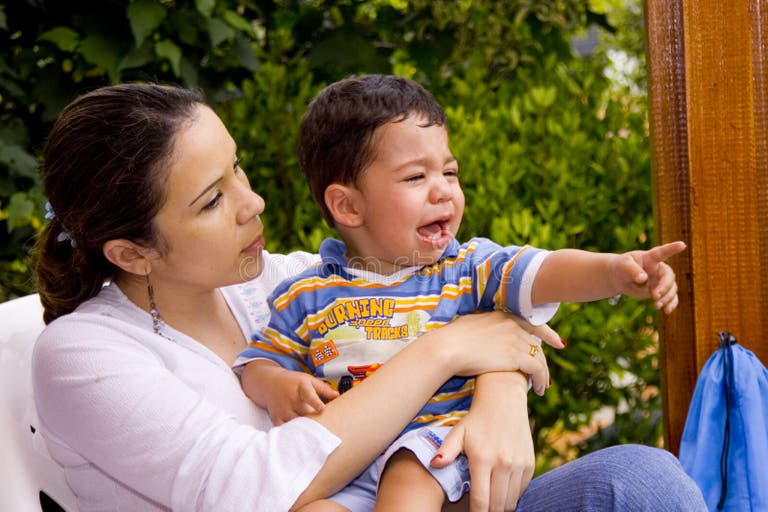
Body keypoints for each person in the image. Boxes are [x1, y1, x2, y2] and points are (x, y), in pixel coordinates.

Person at [30, 82, 705, 512]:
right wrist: (445, 351)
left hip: (437, 488)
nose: (253, 202)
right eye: (212, 199)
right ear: (132, 252)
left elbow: (463, 298)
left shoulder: (280, 281)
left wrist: (497, 389)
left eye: (236, 167)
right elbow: (251, 491)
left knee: (641, 482)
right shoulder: (81, 355)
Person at [236, 75, 695, 512]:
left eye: (450, 172)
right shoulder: (308, 293)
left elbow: (545, 270)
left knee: (407, 472)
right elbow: (257, 364)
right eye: (416, 178)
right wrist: (280, 383)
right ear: (349, 206)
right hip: (353, 473)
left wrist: (613, 270)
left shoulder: (467, 268)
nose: (444, 191)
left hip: (441, 453)